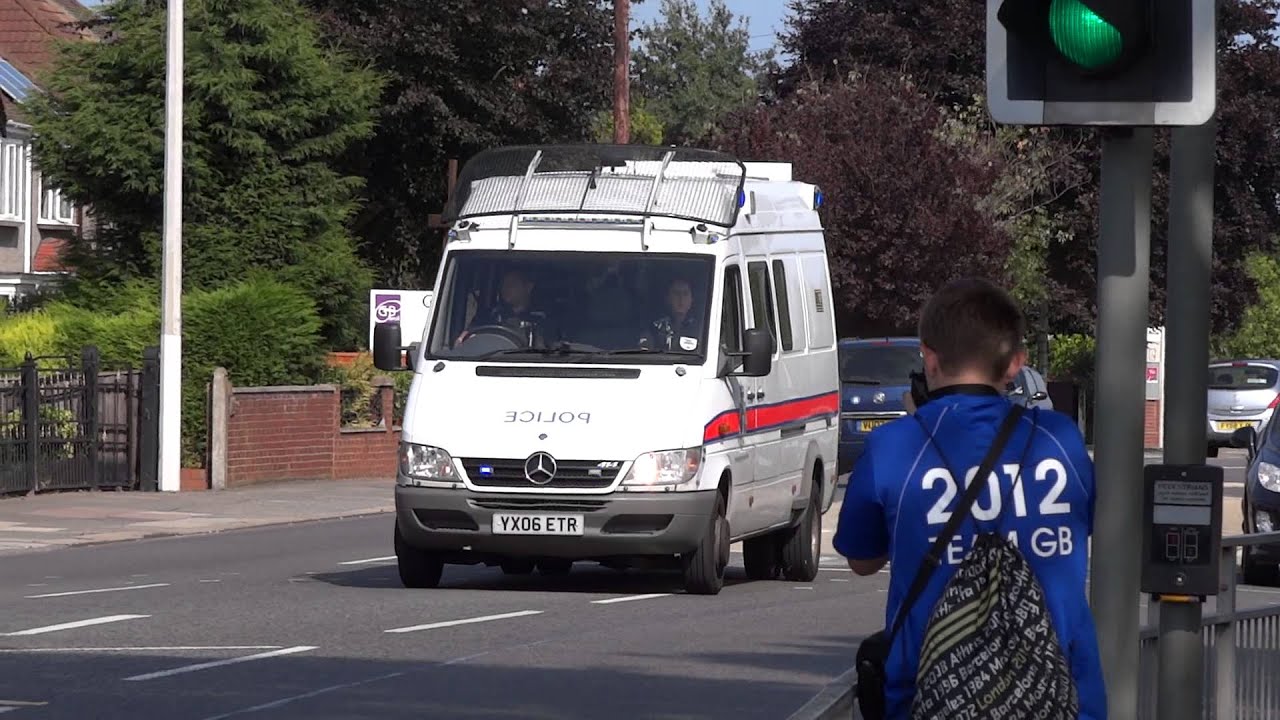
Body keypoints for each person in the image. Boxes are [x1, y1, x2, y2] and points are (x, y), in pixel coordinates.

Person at [834, 277, 1106, 720]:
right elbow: (1083, 524)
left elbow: (862, 559)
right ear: (1016, 363)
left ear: (928, 357)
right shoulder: (1060, 440)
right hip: (1062, 698)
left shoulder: (894, 447)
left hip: (932, 698)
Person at [457, 268, 558, 346]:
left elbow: (551, 350)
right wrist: (463, 339)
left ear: (528, 287)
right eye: (503, 283)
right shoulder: (488, 316)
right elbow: (466, 339)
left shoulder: (543, 319)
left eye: (512, 284)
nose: (506, 287)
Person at [647, 277, 702, 351]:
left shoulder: (701, 329)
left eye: (685, 294)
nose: (681, 298)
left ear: (691, 299)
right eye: (676, 293)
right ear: (668, 298)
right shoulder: (655, 328)